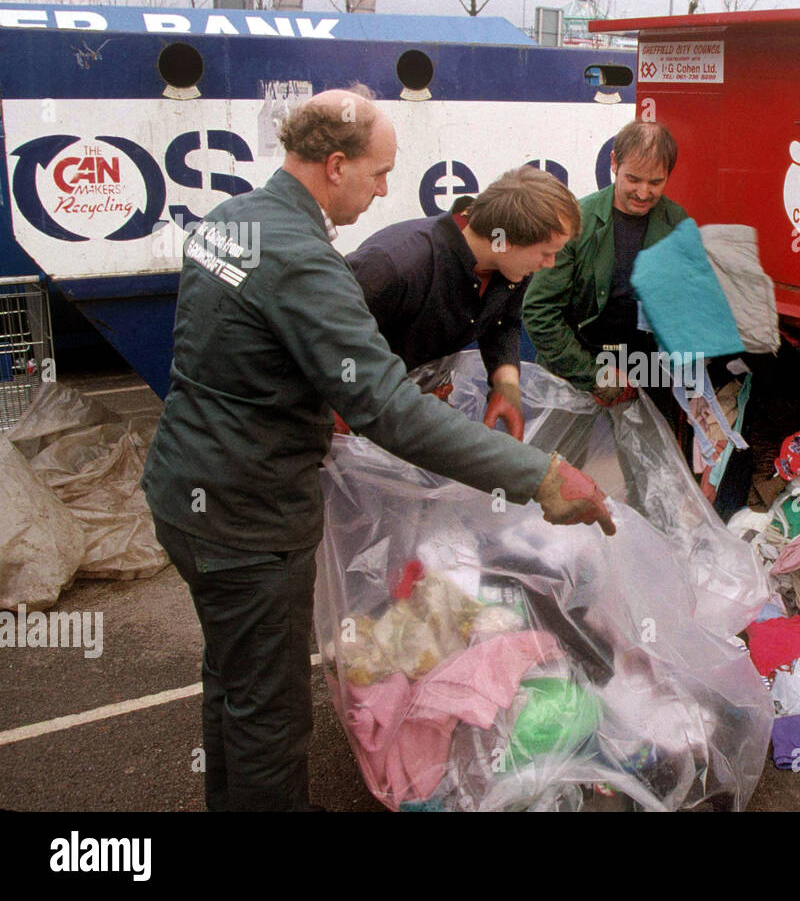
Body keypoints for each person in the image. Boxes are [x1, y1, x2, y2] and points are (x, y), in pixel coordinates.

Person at [141, 86, 614, 812]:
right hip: (249, 514)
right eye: (379, 173)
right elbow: (389, 409)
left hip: (188, 485)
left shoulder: (232, 220)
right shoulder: (309, 260)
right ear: (335, 165)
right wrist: (541, 474)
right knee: (271, 716)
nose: (387, 189)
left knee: (234, 682)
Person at [346, 166, 580, 440]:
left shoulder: (509, 268)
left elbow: (502, 321)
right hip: (351, 411)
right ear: (507, 241)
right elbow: (326, 337)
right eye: (545, 253)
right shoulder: (397, 264)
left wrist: (506, 386)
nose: (550, 264)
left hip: (412, 409)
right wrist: (341, 407)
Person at [522, 121, 689, 409]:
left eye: (655, 182)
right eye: (633, 179)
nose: (643, 192)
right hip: (574, 375)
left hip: (648, 375)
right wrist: (593, 374)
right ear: (614, 163)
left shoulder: (677, 223)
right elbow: (539, 311)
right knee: (564, 456)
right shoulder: (575, 222)